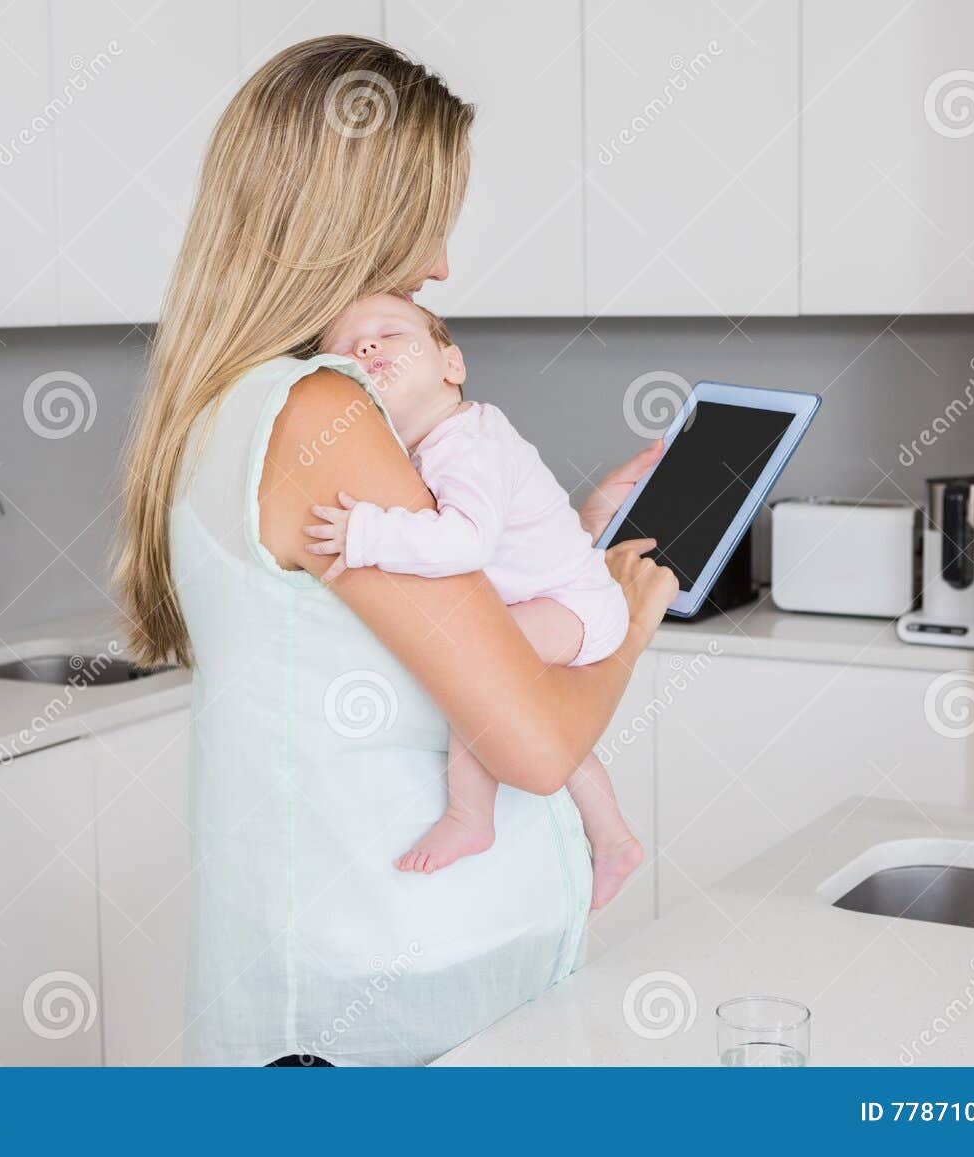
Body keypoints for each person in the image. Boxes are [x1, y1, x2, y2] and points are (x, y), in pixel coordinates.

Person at [115, 35, 675, 1067]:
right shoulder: (321, 411)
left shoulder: (231, 404)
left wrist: (576, 532)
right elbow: (536, 745)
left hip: (364, 955)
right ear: (347, 224)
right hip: (398, 979)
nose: (441, 265)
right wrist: (627, 622)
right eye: (423, 225)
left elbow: (435, 616)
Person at [308, 292, 645, 911]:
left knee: (479, 676)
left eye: (390, 334)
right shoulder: (430, 446)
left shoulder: (467, 442)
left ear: (451, 366)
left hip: (576, 602)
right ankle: (614, 836)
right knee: (541, 723)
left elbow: (465, 542)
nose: (368, 347)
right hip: (564, 593)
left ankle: (470, 817)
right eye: (348, 350)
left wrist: (368, 533)